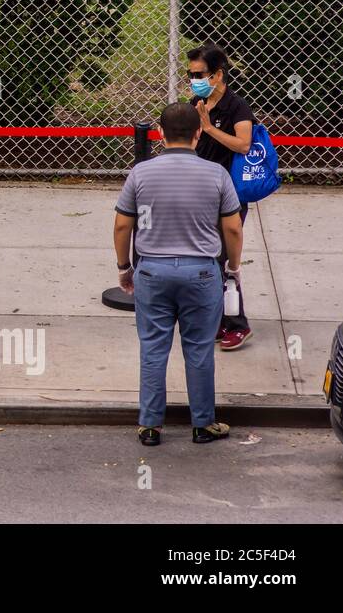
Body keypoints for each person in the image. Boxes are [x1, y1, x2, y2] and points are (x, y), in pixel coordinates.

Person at [114, 102, 244, 447]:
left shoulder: (140, 173)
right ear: (199, 134)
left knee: (153, 348)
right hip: (201, 272)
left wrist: (125, 267)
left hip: (152, 271)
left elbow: (122, 223)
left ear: (159, 134)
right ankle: (202, 424)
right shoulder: (217, 174)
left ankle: (150, 426)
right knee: (199, 349)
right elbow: (232, 228)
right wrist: (232, 268)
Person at [187, 44, 255, 351]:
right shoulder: (196, 102)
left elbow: (242, 144)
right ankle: (216, 320)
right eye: (190, 74)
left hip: (229, 193)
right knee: (207, 259)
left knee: (225, 260)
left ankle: (237, 324)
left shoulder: (236, 107)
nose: (193, 79)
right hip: (200, 193)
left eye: (199, 74)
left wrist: (207, 128)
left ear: (217, 75)